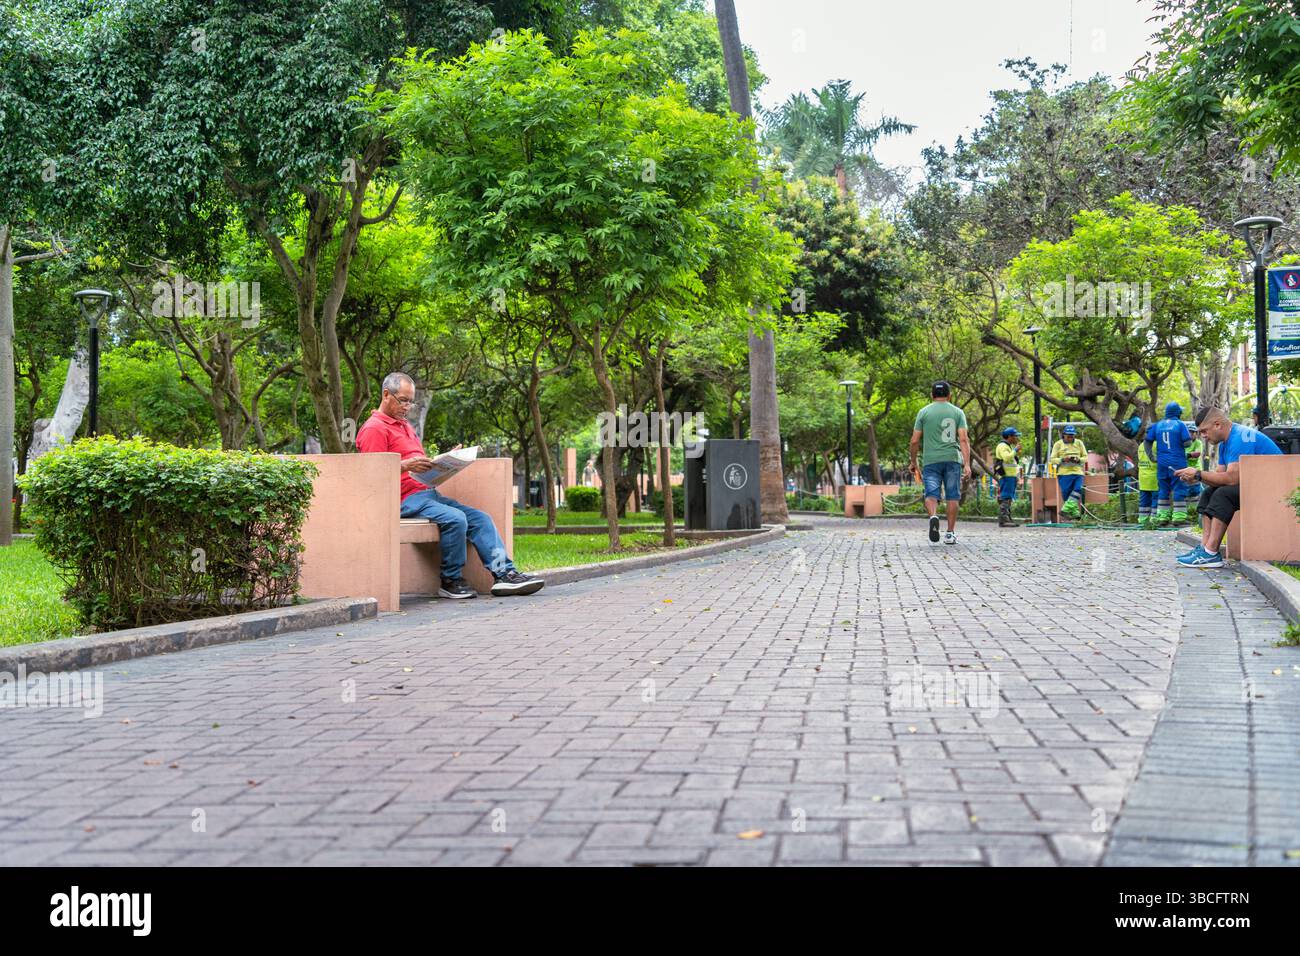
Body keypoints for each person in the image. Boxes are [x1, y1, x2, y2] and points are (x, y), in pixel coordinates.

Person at [356, 371, 544, 598]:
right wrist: (406, 466)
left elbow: (415, 463)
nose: (407, 407)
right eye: (403, 400)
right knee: (456, 519)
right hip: (403, 499)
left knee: (481, 519)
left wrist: (445, 460)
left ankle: (505, 574)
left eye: (411, 402)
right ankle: (450, 579)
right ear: (386, 394)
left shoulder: (403, 425)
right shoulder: (374, 428)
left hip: (427, 494)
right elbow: (370, 474)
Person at [1174, 406, 1282, 568]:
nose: (1202, 436)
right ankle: (1205, 549)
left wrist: (1198, 474)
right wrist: (1195, 477)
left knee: (1223, 494)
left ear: (1217, 425)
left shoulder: (1239, 437)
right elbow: (1219, 477)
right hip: (1256, 484)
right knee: (1209, 493)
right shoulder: (1225, 442)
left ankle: (1211, 553)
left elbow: (1231, 479)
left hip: (1276, 487)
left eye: (1204, 431)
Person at [909, 381, 971, 545]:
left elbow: (914, 441)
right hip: (952, 459)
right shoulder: (958, 412)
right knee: (952, 496)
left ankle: (934, 516)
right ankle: (950, 534)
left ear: (932, 395)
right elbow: (963, 439)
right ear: (949, 395)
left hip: (931, 460)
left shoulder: (923, 412)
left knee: (931, 494)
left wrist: (913, 462)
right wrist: (967, 464)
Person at [1144, 401, 1191, 525]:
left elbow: (1147, 441)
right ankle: (1178, 518)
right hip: (1177, 463)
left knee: (1163, 490)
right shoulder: (1180, 425)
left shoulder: (1157, 425)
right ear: (1178, 413)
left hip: (1162, 463)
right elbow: (1187, 443)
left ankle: (1162, 518)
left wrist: (1151, 456)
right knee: (1179, 489)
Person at [1049, 425, 1087, 519]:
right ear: (1064, 435)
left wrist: (1078, 460)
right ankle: (1075, 513)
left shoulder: (1079, 443)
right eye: (1068, 435)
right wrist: (1063, 459)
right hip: (1064, 474)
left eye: (1072, 435)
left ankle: (1065, 509)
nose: (1071, 437)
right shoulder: (1058, 444)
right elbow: (1052, 459)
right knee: (1066, 493)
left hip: (1078, 472)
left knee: (1078, 490)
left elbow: (1085, 457)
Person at [993, 427, 1021, 528]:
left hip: (1011, 476)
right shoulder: (1002, 446)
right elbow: (1006, 458)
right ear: (1009, 436)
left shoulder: (1007, 446)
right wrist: (1015, 450)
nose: (1016, 438)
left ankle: (1007, 518)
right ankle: (1003, 519)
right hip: (1006, 476)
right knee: (1006, 497)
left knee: (1008, 497)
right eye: (1015, 436)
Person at [1136, 434, 1159, 529]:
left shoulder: (1141, 445)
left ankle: (1142, 521)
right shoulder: (1156, 445)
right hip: (1154, 478)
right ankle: (1154, 521)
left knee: (1143, 502)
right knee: (1155, 501)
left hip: (1143, 478)